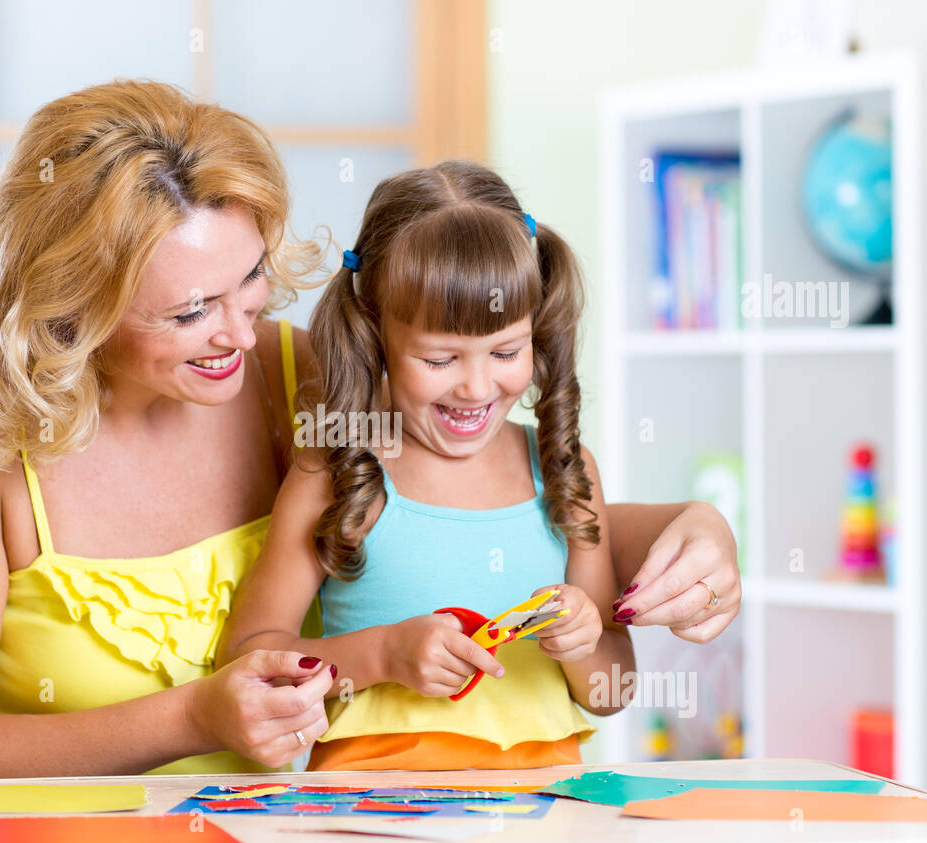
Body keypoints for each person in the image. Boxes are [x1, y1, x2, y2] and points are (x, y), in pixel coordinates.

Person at [0, 80, 739, 779]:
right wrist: (190, 715)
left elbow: (507, 506)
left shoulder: (312, 382)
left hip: (313, 834)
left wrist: (689, 526)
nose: (238, 333)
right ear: (76, 313)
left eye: (251, 279)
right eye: (189, 311)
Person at [221, 161, 642, 771]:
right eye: (440, 358)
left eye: (505, 351)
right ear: (375, 334)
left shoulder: (564, 468)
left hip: (548, 817)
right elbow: (247, 660)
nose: (476, 387)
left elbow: (615, 691)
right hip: (369, 816)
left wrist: (582, 647)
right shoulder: (334, 466)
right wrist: (384, 655)